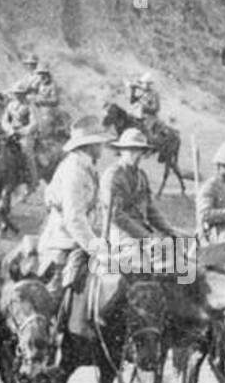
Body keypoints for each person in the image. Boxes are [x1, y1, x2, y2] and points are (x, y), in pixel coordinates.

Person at [37, 116, 114, 333]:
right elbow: (74, 217)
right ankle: (44, 346)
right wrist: (94, 245)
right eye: (99, 143)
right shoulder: (74, 170)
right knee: (54, 297)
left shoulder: (87, 167)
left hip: (79, 240)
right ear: (89, 146)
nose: (102, 147)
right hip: (63, 242)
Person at [100, 128, 182, 252]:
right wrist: (147, 237)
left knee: (180, 245)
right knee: (162, 257)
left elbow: (150, 209)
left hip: (142, 232)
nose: (135, 155)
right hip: (121, 235)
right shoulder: (113, 176)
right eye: (130, 150)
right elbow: (117, 216)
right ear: (121, 151)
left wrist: (169, 230)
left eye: (139, 150)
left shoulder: (141, 176)